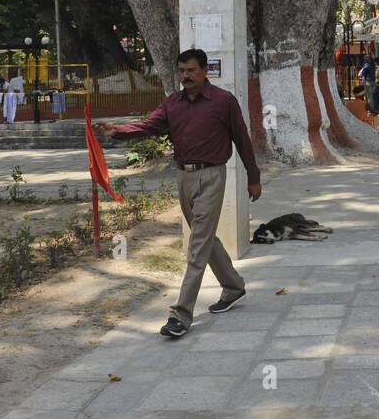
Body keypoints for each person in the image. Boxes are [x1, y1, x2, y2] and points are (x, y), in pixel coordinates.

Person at [98, 49, 261, 338]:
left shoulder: (224, 101)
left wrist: (254, 177)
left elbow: (242, 139)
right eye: (182, 71)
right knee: (205, 238)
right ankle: (234, 286)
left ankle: (180, 315)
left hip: (212, 175)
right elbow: (147, 126)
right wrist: (118, 131)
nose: (186, 76)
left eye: (191, 70)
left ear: (204, 71)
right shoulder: (173, 103)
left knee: (197, 245)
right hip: (183, 177)